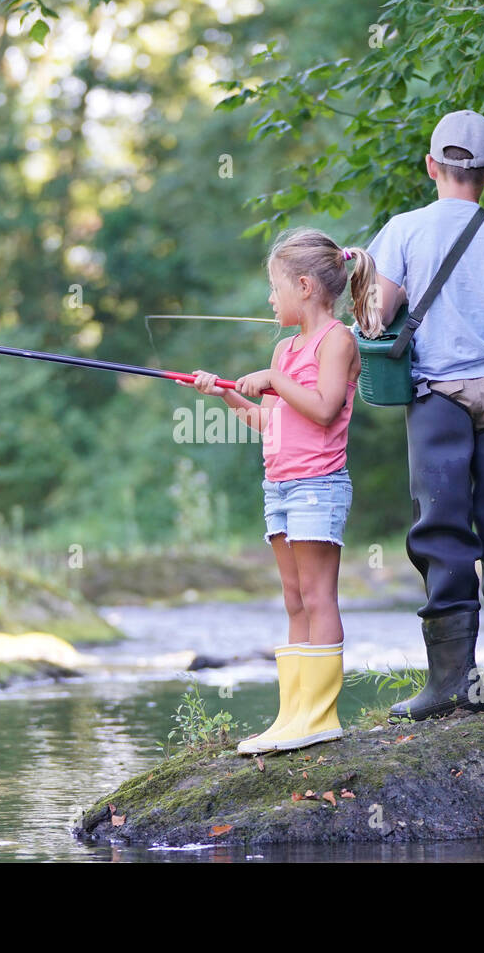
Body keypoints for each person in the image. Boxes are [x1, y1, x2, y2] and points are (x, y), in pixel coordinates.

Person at [365, 109, 484, 719]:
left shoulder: (404, 229)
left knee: (442, 527)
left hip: (439, 393)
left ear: (431, 166)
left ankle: (448, 682)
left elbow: (375, 318)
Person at [180, 228, 381, 752]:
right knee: (293, 600)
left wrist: (271, 378)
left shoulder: (336, 341)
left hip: (318, 486)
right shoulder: (285, 350)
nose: (270, 298)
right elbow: (270, 422)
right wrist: (225, 391)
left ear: (306, 286)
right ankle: (291, 715)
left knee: (318, 596)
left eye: (275, 287)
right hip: (281, 487)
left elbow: (323, 407)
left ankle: (320, 717)